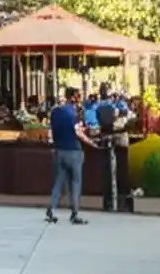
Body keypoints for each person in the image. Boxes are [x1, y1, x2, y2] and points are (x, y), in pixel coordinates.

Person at [47, 87, 96, 225]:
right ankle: (74, 213)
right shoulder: (72, 113)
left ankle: (51, 208)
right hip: (73, 150)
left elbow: (51, 132)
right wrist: (91, 142)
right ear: (73, 97)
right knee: (75, 182)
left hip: (59, 150)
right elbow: (78, 132)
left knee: (58, 181)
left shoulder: (55, 112)